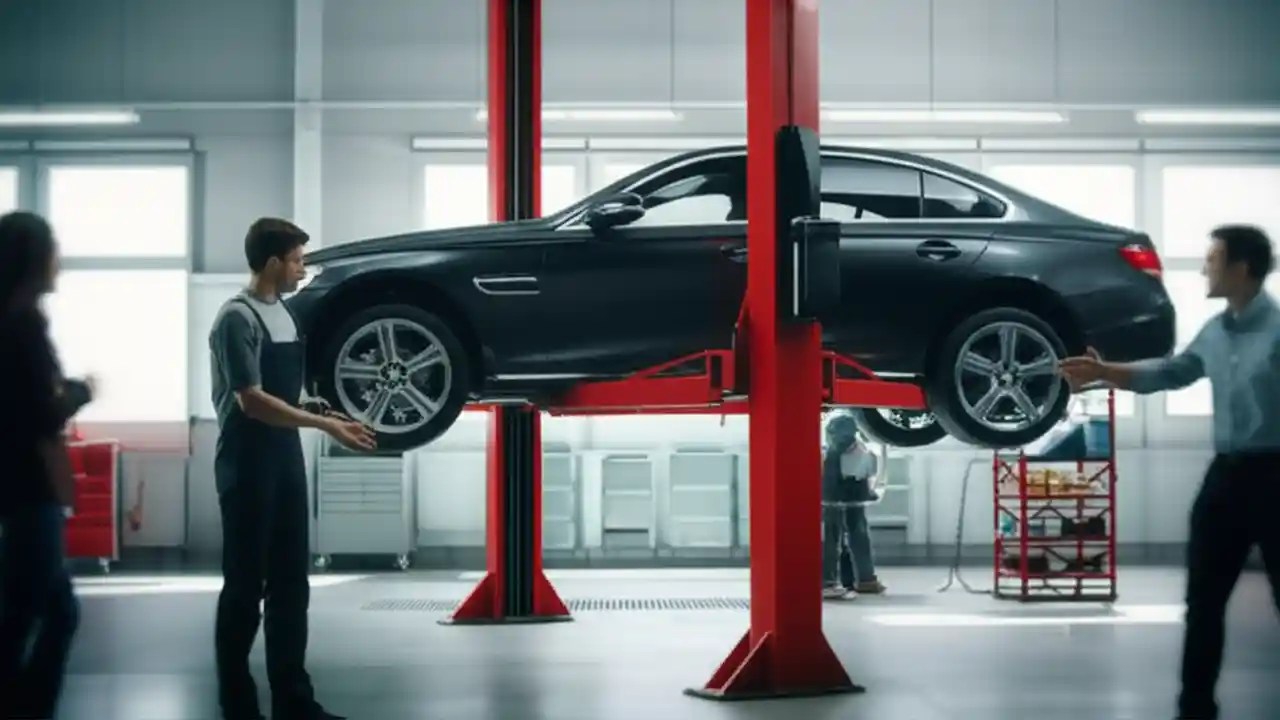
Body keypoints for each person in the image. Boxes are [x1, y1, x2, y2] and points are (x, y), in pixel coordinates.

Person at [1059, 224, 1280, 720]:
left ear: (1242, 268)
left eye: (1215, 258)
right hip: (1225, 478)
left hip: (1276, 479)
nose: (1205, 267)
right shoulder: (1216, 331)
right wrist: (1103, 373)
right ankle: (1194, 708)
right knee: (1202, 603)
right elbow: (1171, 373)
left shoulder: (1279, 333)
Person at [210, 217, 376, 720]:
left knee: (290, 584)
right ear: (272, 262)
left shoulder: (285, 314)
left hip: (284, 459)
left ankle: (294, 702)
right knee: (244, 586)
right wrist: (322, 428)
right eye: (298, 259)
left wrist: (323, 410)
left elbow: (288, 393)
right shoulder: (235, 318)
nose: (303, 269)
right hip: (247, 461)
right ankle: (238, 705)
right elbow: (252, 401)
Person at [0, 211, 97, 719]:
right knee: (35, 614)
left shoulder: (12, 320)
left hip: (20, 487)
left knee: (45, 610)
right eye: (53, 249)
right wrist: (82, 390)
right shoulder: (22, 324)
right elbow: (41, 409)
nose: (60, 259)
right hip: (29, 489)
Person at [821, 413, 886, 599]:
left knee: (833, 540)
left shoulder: (831, 451)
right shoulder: (858, 450)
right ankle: (862, 579)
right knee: (855, 537)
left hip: (832, 497)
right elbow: (866, 473)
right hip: (847, 498)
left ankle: (832, 581)